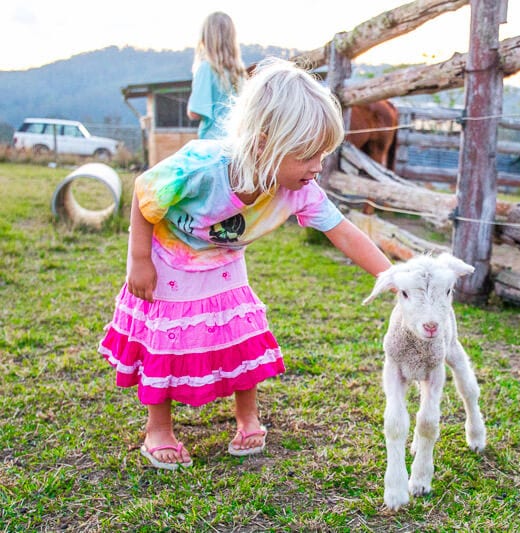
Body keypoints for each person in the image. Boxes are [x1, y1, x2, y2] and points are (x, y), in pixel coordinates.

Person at [99, 58, 392, 470]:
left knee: (242, 336)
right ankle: (158, 428)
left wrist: (392, 276)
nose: (318, 167)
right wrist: (139, 260)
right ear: (264, 143)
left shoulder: (300, 189)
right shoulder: (202, 166)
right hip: (172, 262)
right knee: (165, 342)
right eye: (308, 155)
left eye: (323, 154)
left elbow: (343, 231)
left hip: (224, 264)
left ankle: (247, 416)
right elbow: (144, 194)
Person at [187, 12, 247, 139]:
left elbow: (195, 113)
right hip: (236, 143)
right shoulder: (240, 73)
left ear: (205, 38)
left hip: (212, 144)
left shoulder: (206, 68)